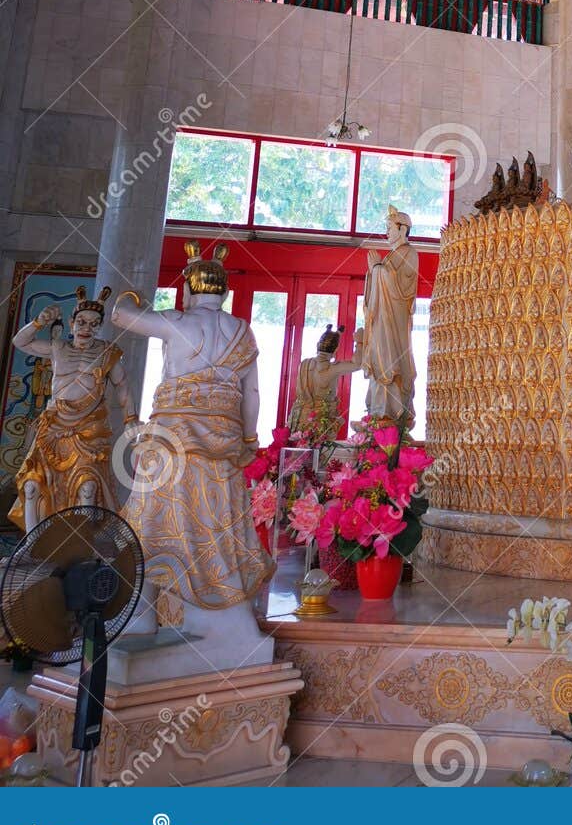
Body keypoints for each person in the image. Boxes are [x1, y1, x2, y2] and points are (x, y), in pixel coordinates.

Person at [113, 242, 271, 642]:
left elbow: (120, 316)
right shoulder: (242, 332)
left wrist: (128, 295)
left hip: (171, 443)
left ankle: (140, 617)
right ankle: (220, 601)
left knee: (151, 521)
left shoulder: (176, 322)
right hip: (223, 444)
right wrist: (249, 438)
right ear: (224, 292)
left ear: (189, 289)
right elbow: (251, 394)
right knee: (216, 523)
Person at [8, 287, 134, 532]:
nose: (87, 328)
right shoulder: (58, 348)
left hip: (88, 429)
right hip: (53, 426)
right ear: (71, 322)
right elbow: (19, 341)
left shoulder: (107, 352)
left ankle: (79, 547)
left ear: (100, 326)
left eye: (94, 324)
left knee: (87, 488)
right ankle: (33, 546)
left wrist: (131, 419)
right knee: (32, 487)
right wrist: (38, 322)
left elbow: (122, 385)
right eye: (82, 322)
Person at [362, 206, 418, 421]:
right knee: (379, 357)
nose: (386, 232)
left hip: (395, 320)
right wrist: (375, 271)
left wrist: (377, 268)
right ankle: (377, 411)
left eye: (389, 227)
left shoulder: (408, 253)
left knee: (390, 359)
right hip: (382, 320)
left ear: (402, 229)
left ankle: (391, 412)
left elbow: (401, 289)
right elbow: (382, 281)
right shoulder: (391, 256)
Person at [291, 324, 362, 433]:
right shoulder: (332, 369)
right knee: (320, 449)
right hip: (320, 423)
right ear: (336, 348)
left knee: (298, 447)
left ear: (317, 345)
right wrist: (360, 343)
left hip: (297, 419)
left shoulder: (304, 363)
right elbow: (358, 364)